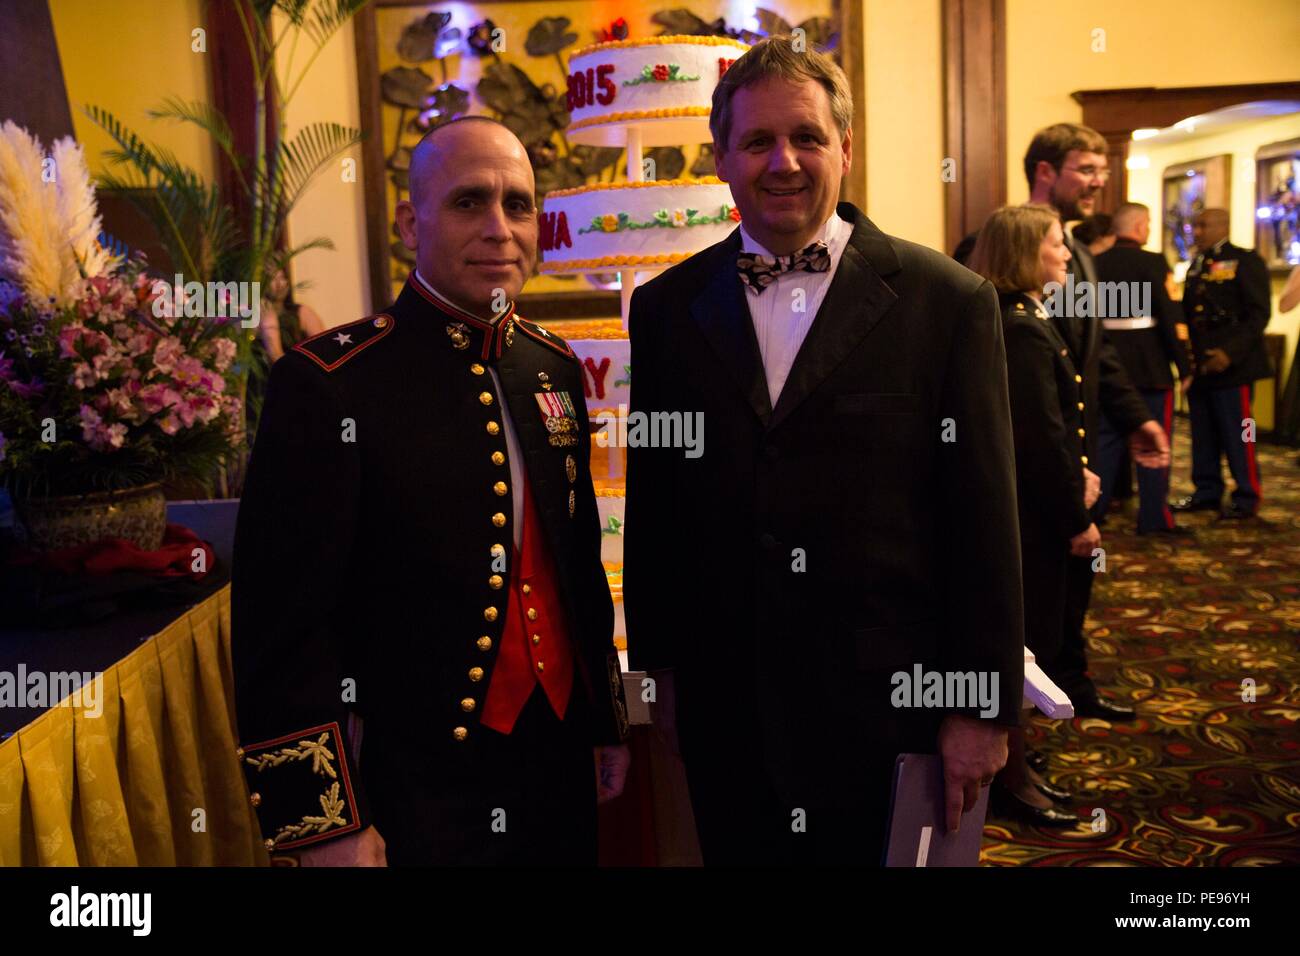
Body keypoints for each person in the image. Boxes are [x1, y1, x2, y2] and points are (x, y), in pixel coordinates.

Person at [625, 36, 1021, 865]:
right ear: (720, 157)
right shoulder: (665, 309)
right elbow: (657, 501)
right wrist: (659, 669)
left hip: (888, 705)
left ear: (846, 148)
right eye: (759, 141)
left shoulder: (950, 303)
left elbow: (985, 518)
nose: (785, 161)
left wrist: (980, 706)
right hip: (726, 701)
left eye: (807, 137)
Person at [232, 116, 630, 867]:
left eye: (518, 205)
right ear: (411, 222)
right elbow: (278, 632)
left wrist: (605, 720)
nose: (500, 228)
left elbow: (575, 565)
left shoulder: (553, 367)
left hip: (555, 756)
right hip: (414, 782)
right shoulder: (329, 385)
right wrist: (321, 822)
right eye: (468, 202)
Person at [1020, 123, 1171, 722]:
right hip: (1033, 461)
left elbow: (1095, 352)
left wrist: (1136, 419)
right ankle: (1019, 716)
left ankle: (1070, 683)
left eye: (1101, 171)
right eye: (1086, 169)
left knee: (1077, 574)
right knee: (1031, 592)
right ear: (1046, 171)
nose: (1099, 183)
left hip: (1079, 452)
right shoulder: (1001, 240)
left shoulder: (1078, 250)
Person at [968, 204, 1090, 826]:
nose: (1067, 254)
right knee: (1021, 649)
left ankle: (1022, 761)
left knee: (1033, 642)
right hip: (1028, 518)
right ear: (1024, 252)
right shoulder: (1017, 324)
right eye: (1056, 244)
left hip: (1037, 508)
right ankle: (1012, 780)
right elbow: (1036, 438)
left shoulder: (1029, 315)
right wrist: (1075, 514)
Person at [1093, 202, 1193, 534]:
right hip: (1149, 369)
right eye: (1148, 224)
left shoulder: (1093, 264)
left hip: (1106, 370)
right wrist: (1184, 364)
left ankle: (1096, 510)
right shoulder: (1152, 262)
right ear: (1138, 227)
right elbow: (1171, 317)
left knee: (1105, 442)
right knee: (1153, 442)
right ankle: (1153, 518)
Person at [1171, 208, 1272, 519]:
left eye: (1203, 225)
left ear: (1221, 226)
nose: (1196, 231)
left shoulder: (1245, 260)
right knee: (1203, 433)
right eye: (1195, 225)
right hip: (1202, 364)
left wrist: (1229, 354)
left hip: (1234, 366)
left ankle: (1247, 493)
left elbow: (1258, 315)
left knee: (1241, 433)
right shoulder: (1196, 265)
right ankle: (1207, 490)